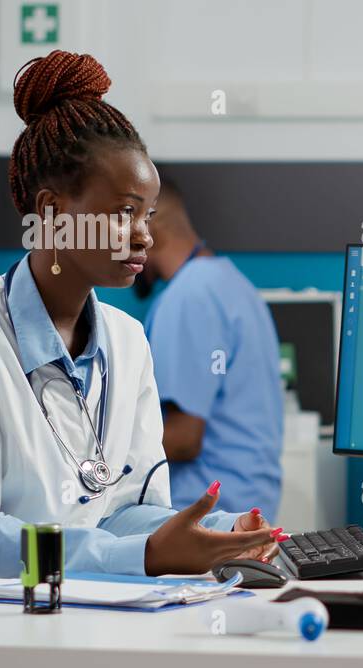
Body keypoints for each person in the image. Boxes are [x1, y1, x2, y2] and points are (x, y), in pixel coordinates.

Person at [0, 50, 287, 601]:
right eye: (124, 212)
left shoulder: (126, 342)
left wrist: (214, 533)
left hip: (63, 623)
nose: (144, 234)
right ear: (49, 211)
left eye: (148, 213)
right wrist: (141, 556)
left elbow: (123, 515)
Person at [134, 182, 284, 520]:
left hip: (206, 515)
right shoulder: (233, 284)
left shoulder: (189, 296)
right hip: (246, 506)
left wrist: (98, 454)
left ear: (150, 226)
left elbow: (185, 439)